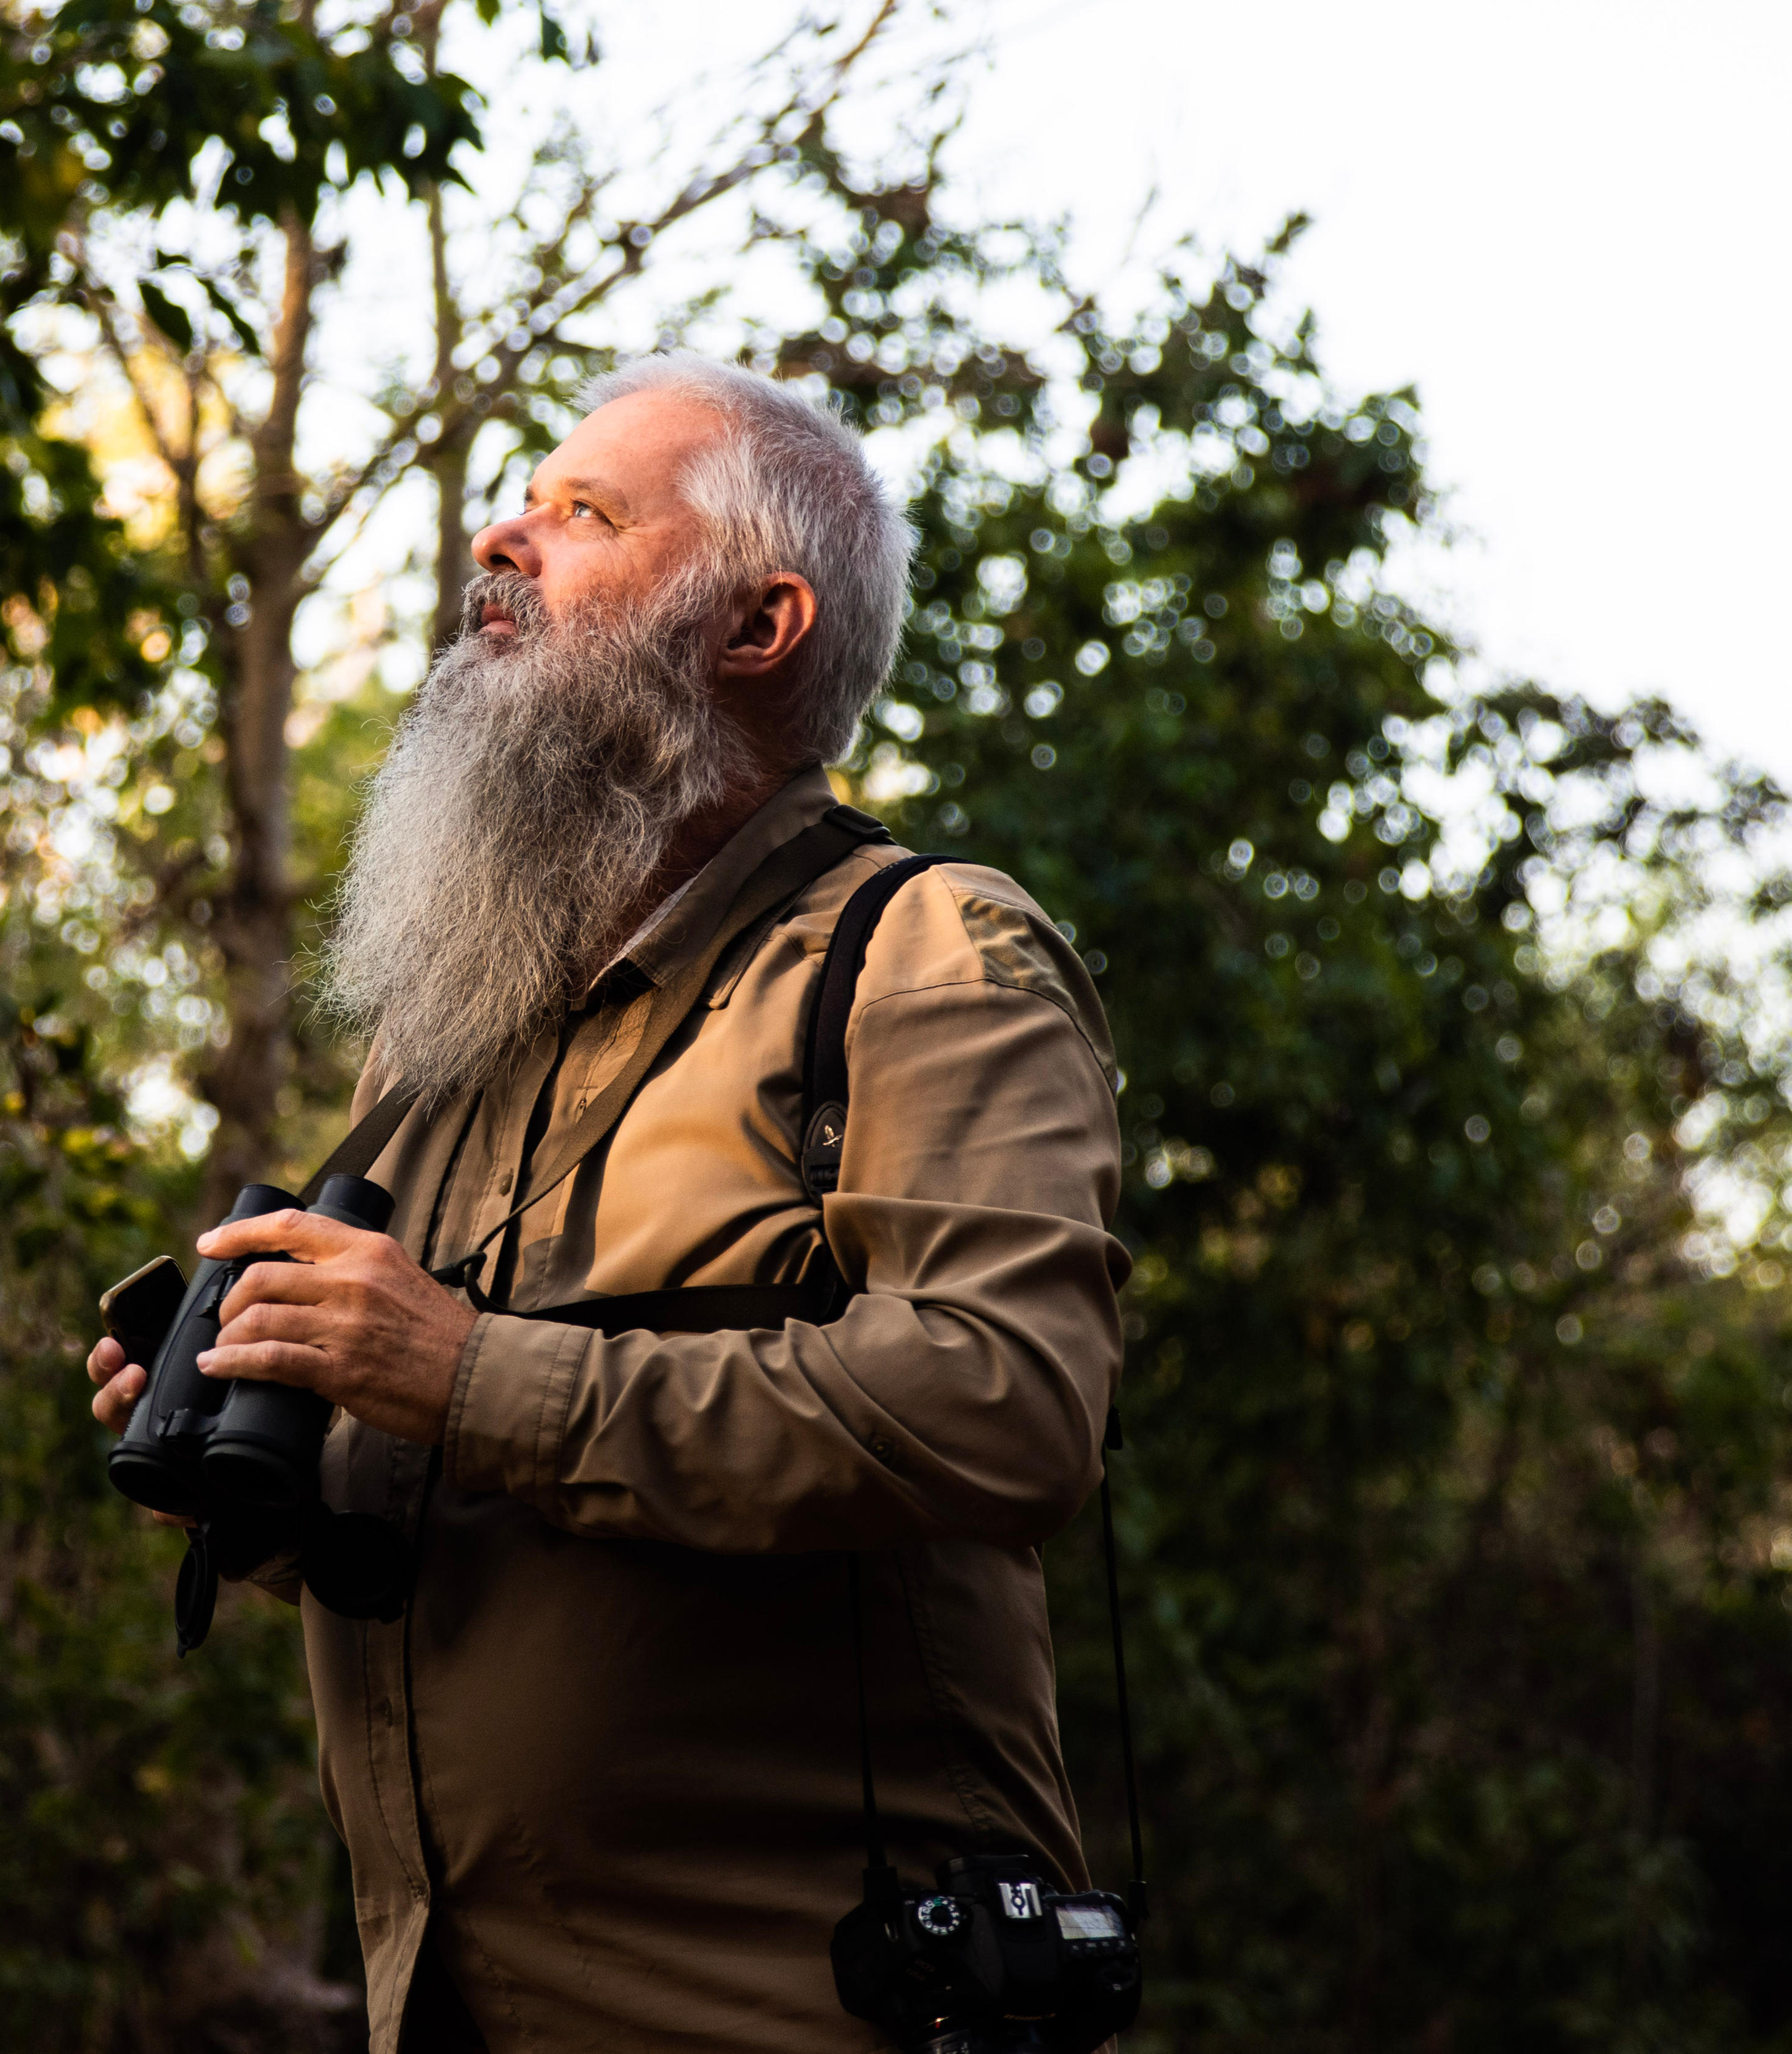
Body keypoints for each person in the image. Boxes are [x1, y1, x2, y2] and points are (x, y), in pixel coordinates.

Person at [83, 354, 1128, 2053]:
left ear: (757, 625)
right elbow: (492, 1507)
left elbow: (1002, 1406)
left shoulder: (925, 955)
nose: (504, 533)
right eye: (524, 495)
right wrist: (260, 1461)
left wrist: (458, 1368)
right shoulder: (452, 1041)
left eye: (583, 512)